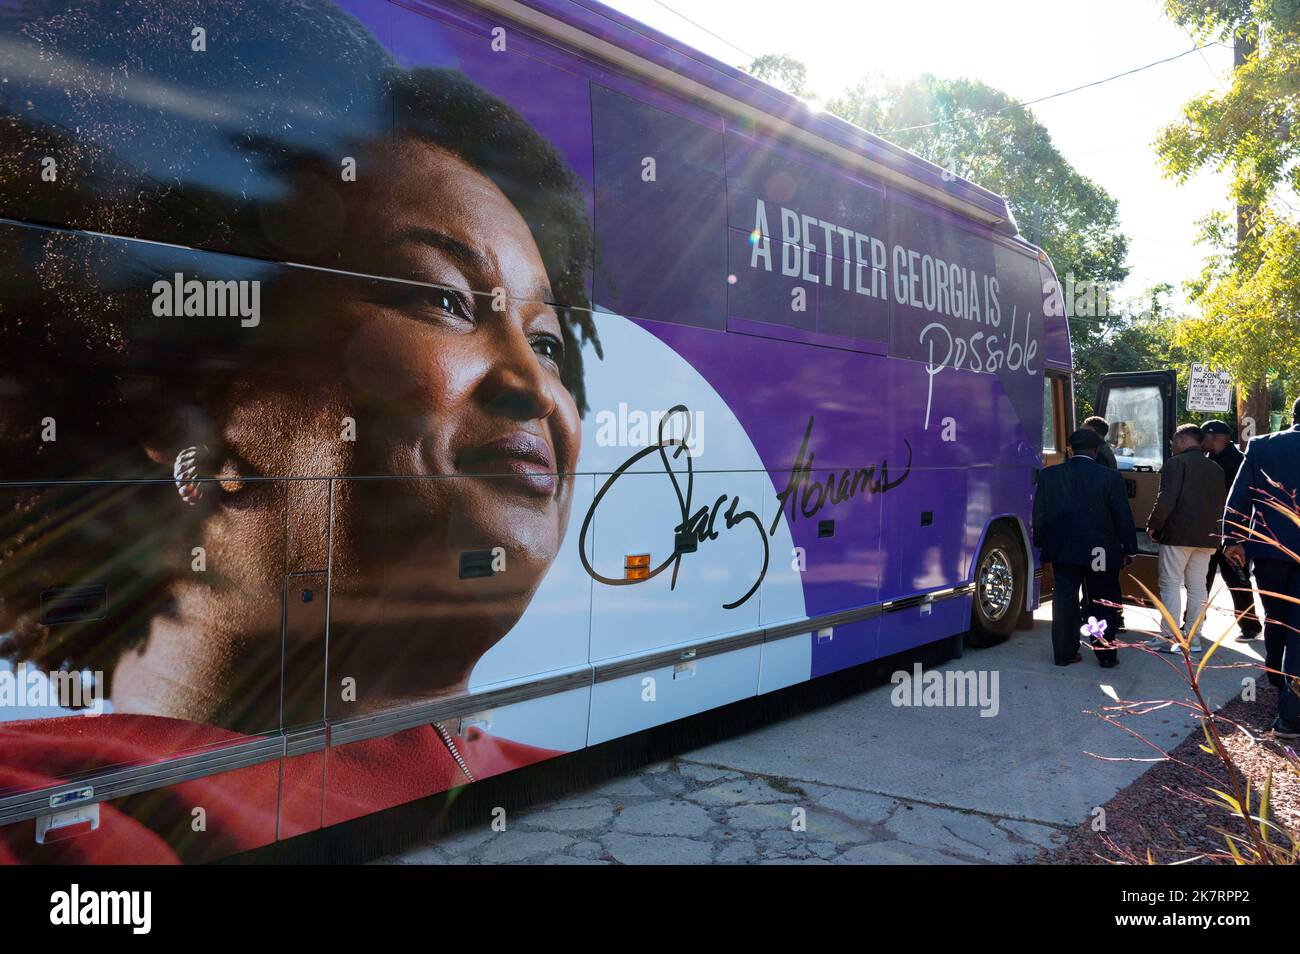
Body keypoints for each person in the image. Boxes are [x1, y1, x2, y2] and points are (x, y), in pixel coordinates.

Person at [0, 0, 601, 859]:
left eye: (545, 340)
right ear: (185, 418)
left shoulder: (534, 776)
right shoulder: (58, 816)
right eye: (440, 298)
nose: (533, 384)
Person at [1223, 398, 1300, 739]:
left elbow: (1238, 498)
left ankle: (1276, 678)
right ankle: (1289, 714)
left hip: (1270, 551)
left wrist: (1232, 539)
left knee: (1277, 618)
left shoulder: (1262, 446)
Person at [1033, 428, 1137, 667]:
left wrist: (1040, 540)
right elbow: (1123, 516)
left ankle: (1064, 653)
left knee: (1064, 601)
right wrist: (1129, 548)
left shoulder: (1049, 475)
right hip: (1099, 550)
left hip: (1063, 548)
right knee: (1101, 600)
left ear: (1070, 449)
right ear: (1095, 450)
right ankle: (1106, 654)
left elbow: (1039, 513)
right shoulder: (1110, 477)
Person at [1143, 424, 1225, 654]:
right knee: (1198, 586)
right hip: (1208, 537)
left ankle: (1169, 636)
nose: (1171, 444)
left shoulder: (1175, 463)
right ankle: (1194, 639)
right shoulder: (1216, 468)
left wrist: (1154, 524)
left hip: (1178, 534)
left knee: (1170, 584)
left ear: (1181, 440)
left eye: (1173, 440)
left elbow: (1167, 498)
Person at [1200, 420, 1262, 640]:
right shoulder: (1210, 459)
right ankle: (1195, 621)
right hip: (1211, 531)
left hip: (1232, 534)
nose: (1201, 441)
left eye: (1203, 437)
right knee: (1200, 579)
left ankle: (1250, 626)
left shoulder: (1236, 462)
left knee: (1238, 580)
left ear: (1214, 437)